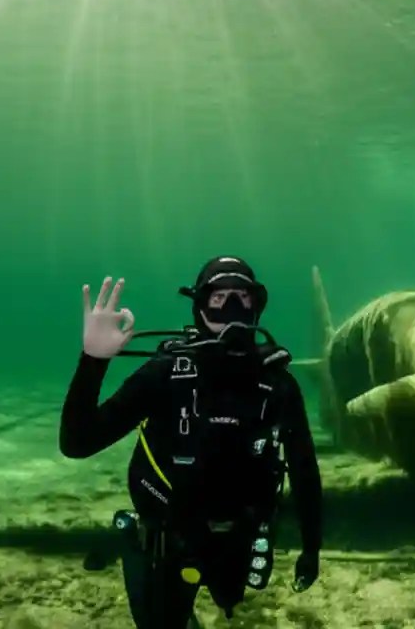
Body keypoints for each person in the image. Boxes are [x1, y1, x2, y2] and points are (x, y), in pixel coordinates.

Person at [59, 257, 323, 629]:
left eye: (242, 297)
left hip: (239, 536)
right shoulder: (166, 374)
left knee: (229, 599)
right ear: (199, 306)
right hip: (169, 537)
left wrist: (312, 548)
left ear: (256, 305)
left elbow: (304, 468)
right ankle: (132, 539)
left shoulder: (278, 386)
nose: (231, 308)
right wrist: (93, 360)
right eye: (218, 298)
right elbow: (78, 443)